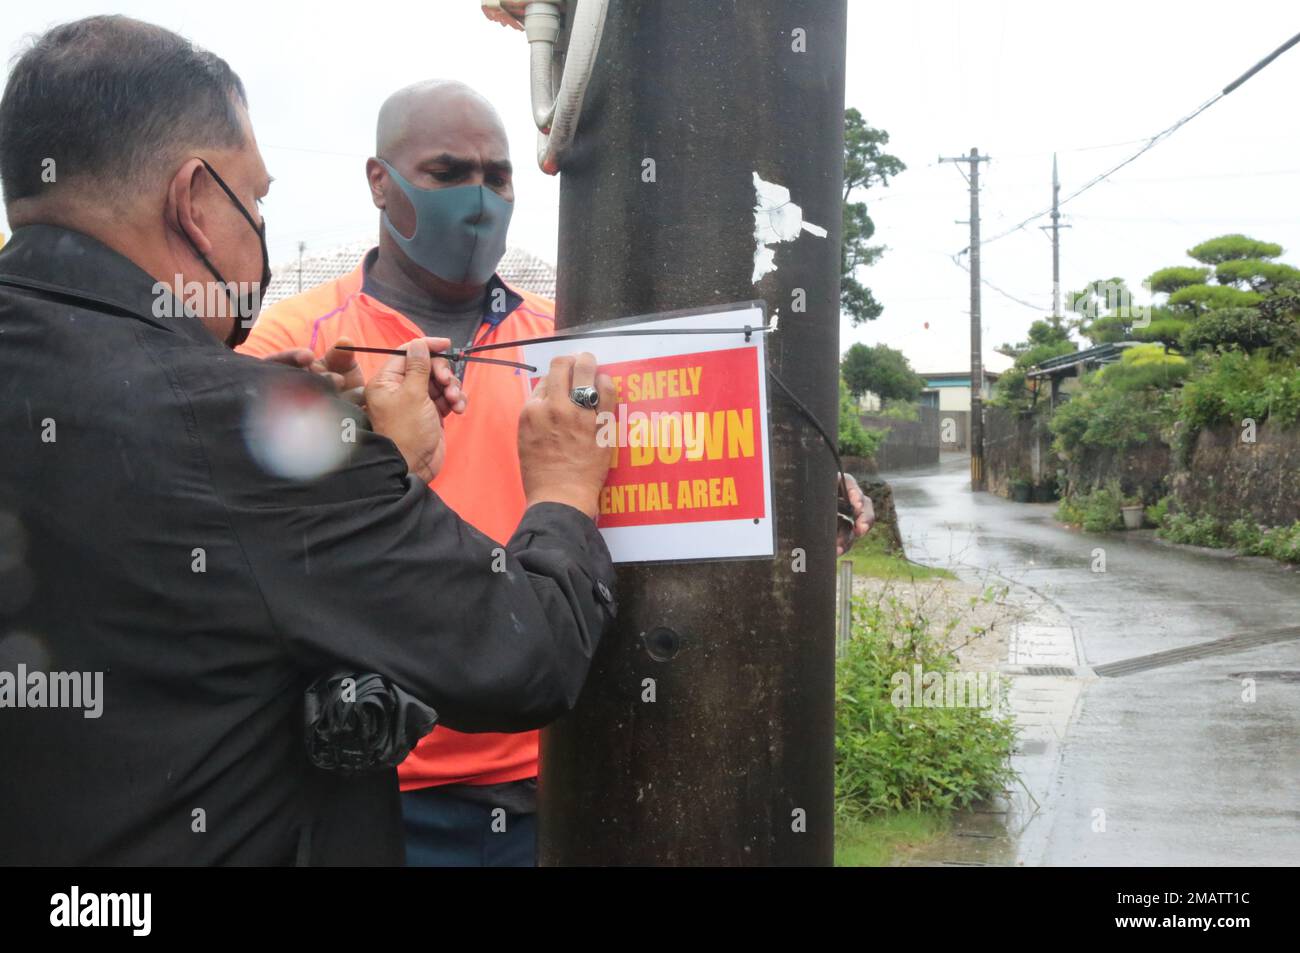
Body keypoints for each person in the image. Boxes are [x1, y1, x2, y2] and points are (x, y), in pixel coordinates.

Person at [0, 15, 617, 866]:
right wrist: (562, 486)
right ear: (192, 199)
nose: (479, 198)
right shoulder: (243, 415)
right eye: (253, 199)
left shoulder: (548, 330)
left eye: (498, 177)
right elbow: (525, 654)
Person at [239, 79, 875, 866]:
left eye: (497, 177)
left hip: (559, 774)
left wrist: (803, 493)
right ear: (380, 181)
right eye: (448, 173)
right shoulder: (301, 344)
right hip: (379, 788)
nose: (479, 199)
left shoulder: (568, 348)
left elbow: (687, 471)